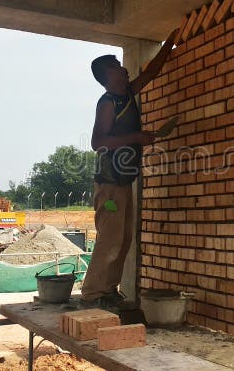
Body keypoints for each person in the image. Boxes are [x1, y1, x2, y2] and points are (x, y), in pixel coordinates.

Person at [80, 28, 178, 308]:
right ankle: (92, 294)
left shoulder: (128, 94)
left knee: (123, 240)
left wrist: (169, 41)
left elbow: (152, 73)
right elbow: (97, 142)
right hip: (109, 184)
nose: (123, 70)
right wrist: (136, 137)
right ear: (107, 77)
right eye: (116, 68)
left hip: (124, 181)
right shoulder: (108, 103)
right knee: (110, 239)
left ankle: (108, 289)